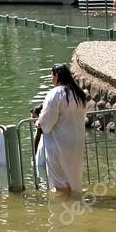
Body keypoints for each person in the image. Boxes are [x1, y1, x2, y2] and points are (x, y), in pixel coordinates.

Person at [35, 64, 88, 195]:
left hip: (59, 142)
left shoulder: (56, 93)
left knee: (59, 178)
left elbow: (48, 118)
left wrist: (39, 123)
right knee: (73, 174)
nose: (51, 79)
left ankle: (66, 206)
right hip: (77, 140)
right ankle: (76, 201)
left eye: (52, 75)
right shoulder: (78, 93)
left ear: (57, 75)